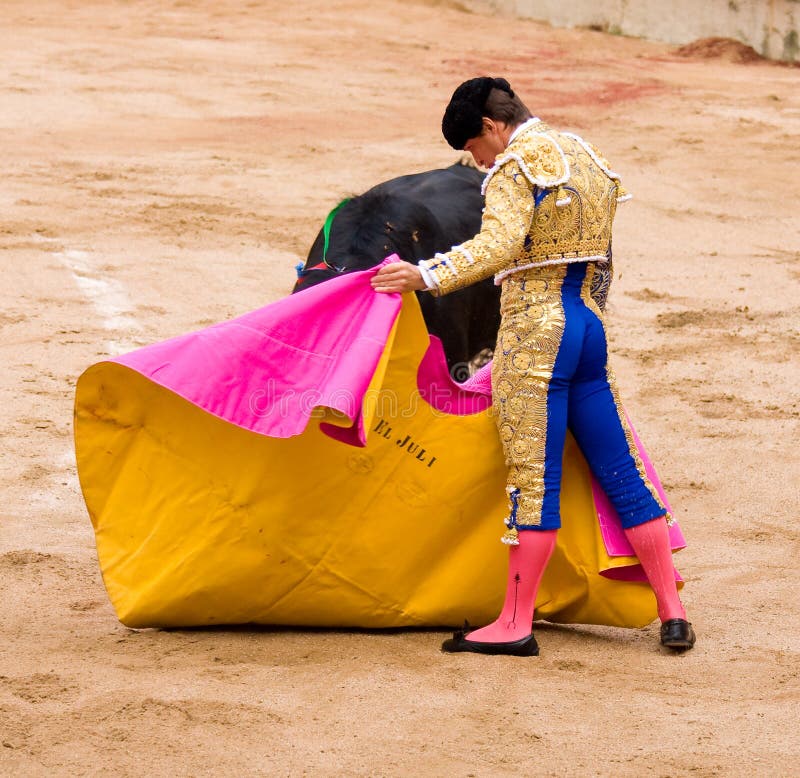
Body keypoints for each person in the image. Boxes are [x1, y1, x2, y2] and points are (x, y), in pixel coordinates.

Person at [371, 77, 695, 656]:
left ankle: (515, 623)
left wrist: (427, 274)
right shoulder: (583, 154)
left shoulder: (515, 168)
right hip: (587, 325)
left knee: (532, 480)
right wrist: (588, 312)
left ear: (492, 128)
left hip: (534, 335)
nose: (477, 160)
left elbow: (496, 247)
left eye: (474, 147)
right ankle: (672, 612)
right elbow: (603, 255)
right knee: (621, 472)